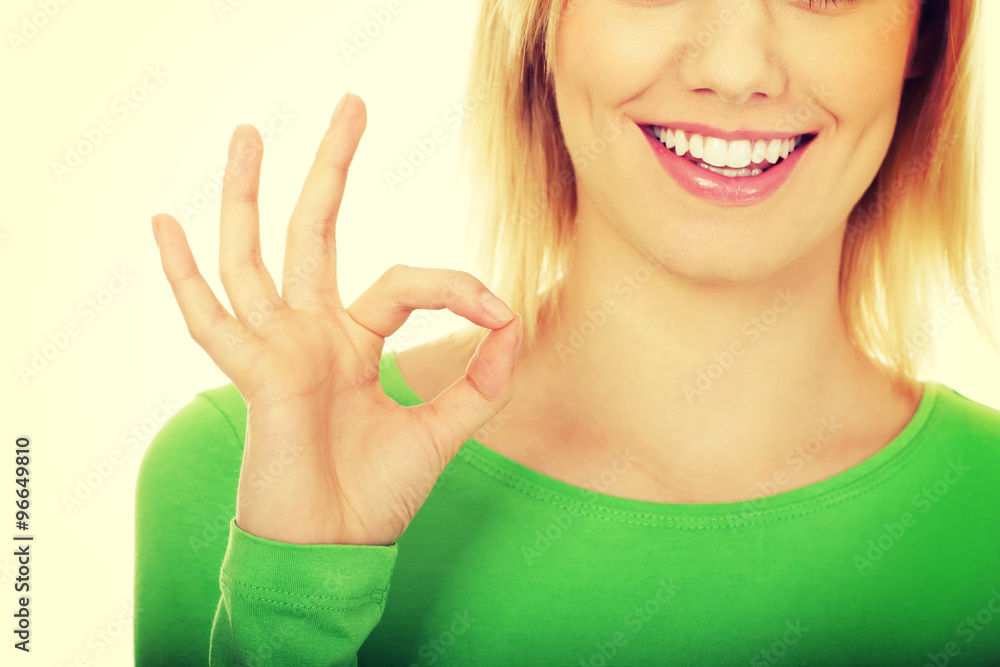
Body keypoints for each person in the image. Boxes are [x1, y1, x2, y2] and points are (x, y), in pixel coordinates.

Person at [136, 0, 1000, 664]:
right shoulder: (246, 479)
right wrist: (295, 605)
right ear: (547, 22)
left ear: (924, 37)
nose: (738, 69)